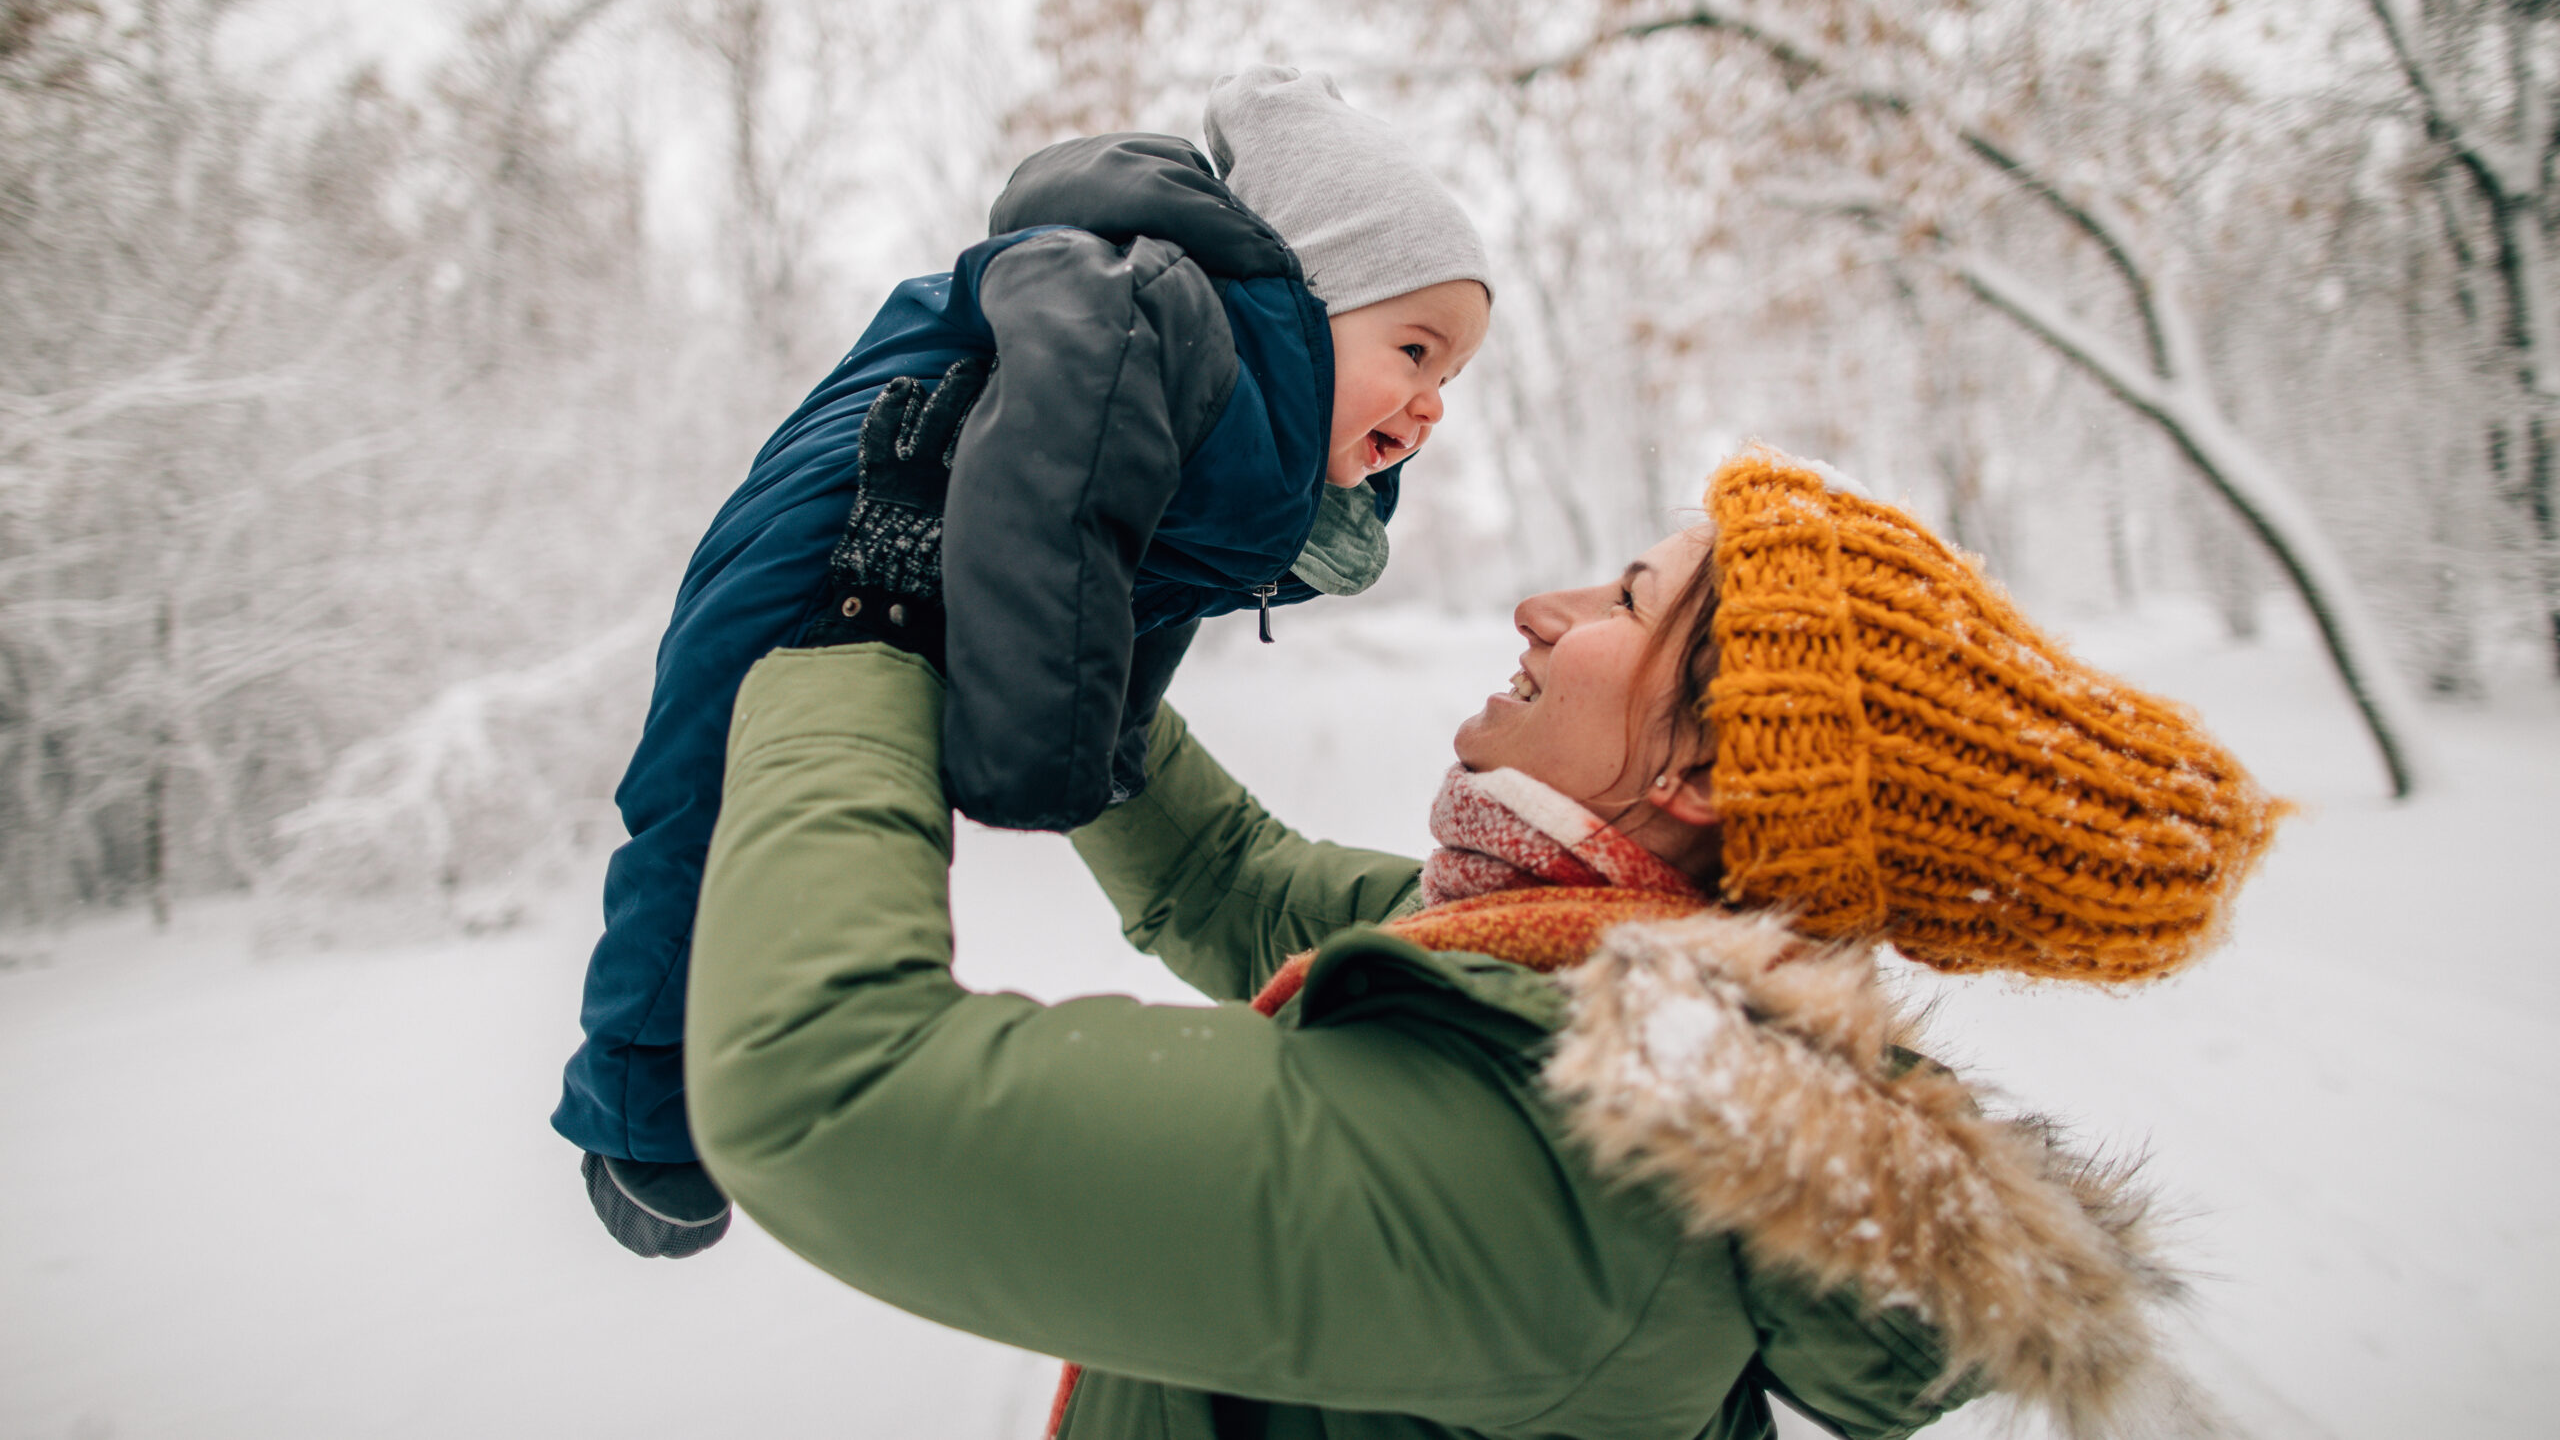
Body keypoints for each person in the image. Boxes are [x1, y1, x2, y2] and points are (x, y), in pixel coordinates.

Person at [683, 446, 2283, 1440]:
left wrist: (860, 642)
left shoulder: (1574, 1163)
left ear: (1709, 773)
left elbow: (837, 1087)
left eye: (1626, 593)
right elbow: (1246, 879)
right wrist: (1048, 646)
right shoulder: (1574, 966)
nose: (1539, 601)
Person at [558, 65, 1496, 1257]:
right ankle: (635, 1109)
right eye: (1414, 350)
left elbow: (1138, 578)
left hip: (950, 541)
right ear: (1307, 296)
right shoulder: (1139, 301)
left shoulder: (1251, 407)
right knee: (703, 798)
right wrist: (1040, 751)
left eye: (1449, 378)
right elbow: (1052, 500)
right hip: (829, 522)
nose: (1431, 403)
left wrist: (1104, 729)